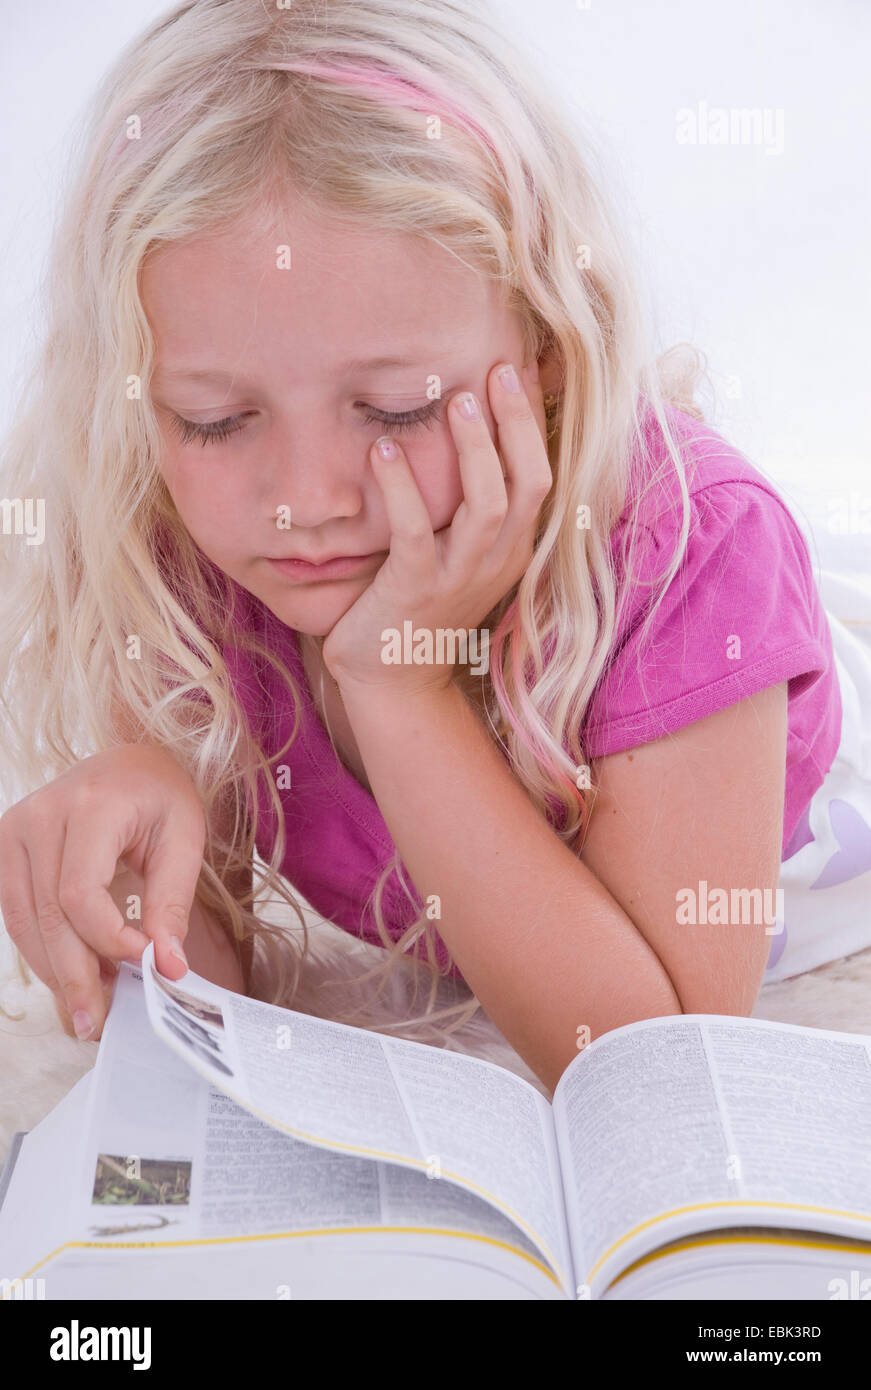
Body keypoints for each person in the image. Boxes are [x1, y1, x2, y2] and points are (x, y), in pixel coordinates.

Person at [0, 0, 840, 1095]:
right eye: (214, 417)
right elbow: (210, 1019)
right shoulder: (180, 547)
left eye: (395, 409)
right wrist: (138, 852)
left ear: (545, 347)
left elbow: (654, 1060)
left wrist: (401, 689)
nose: (304, 501)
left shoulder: (693, 553)